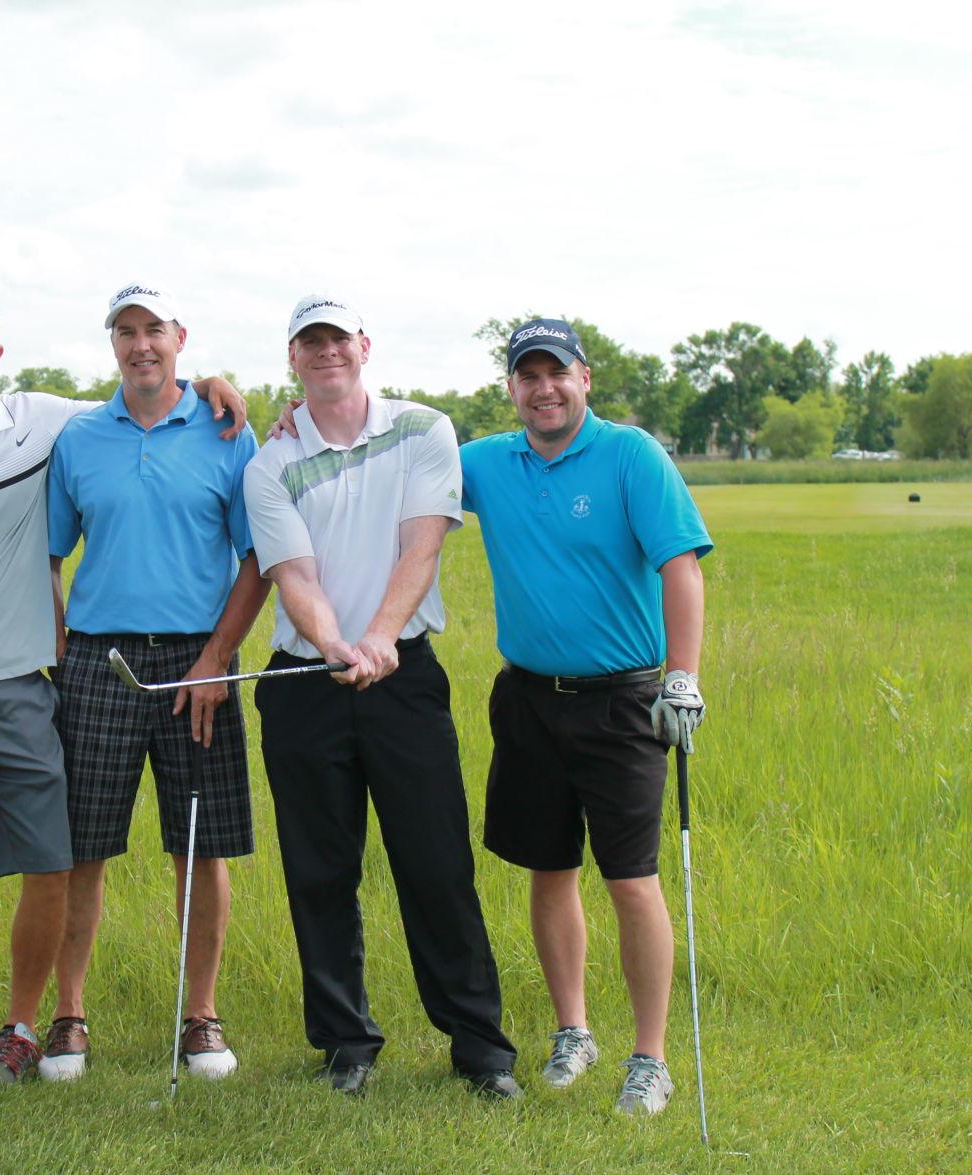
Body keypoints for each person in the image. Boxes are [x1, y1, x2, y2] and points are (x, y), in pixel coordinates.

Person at [0, 288, 246, 1093]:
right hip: (8, 679)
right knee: (3, 858)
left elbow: (250, 543)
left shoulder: (89, 422)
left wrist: (212, 383)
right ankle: (12, 1022)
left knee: (125, 854)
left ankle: (113, 1020)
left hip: (114, 674)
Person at [242, 295, 519, 1099]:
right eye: (309, 342)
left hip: (403, 676)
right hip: (305, 681)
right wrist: (335, 644)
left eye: (337, 338)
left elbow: (420, 545)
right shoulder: (271, 463)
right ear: (292, 358)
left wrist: (379, 639)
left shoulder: (422, 429)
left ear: (363, 345)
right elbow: (294, 575)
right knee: (320, 870)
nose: (326, 352)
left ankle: (480, 1049)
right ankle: (345, 1043)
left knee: (435, 864)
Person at [458, 317, 712, 1115]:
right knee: (547, 866)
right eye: (527, 376)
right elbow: (386, 453)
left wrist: (683, 677)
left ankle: (650, 1056)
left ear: (583, 378)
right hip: (529, 697)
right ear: (511, 388)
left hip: (624, 700)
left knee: (631, 880)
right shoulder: (486, 462)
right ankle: (573, 1029)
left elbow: (678, 564)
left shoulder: (630, 454)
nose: (543, 388)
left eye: (555, 373)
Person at [41, 284, 269, 1082]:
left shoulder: (223, 430)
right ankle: (68, 1012)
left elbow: (255, 557)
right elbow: (48, 554)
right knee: (80, 847)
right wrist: (61, 638)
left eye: (154, 330)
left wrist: (217, 656)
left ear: (180, 337)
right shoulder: (78, 436)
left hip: (196, 664)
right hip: (99, 663)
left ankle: (198, 1014)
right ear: (111, 343)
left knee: (200, 847)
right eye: (125, 331)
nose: (141, 344)